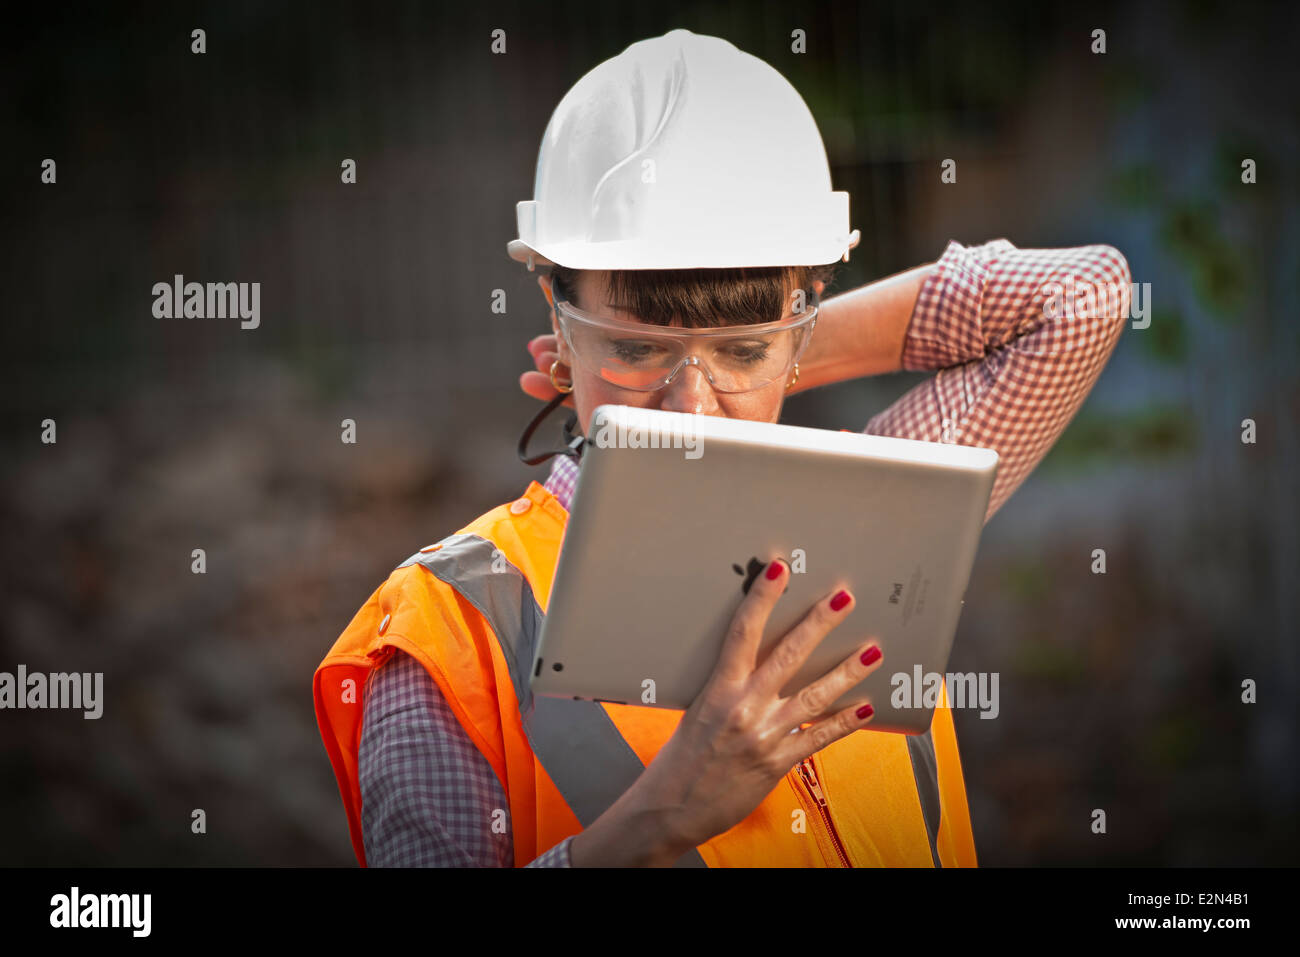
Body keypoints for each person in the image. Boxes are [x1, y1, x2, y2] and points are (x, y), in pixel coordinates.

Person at [313, 29, 1131, 867]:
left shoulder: (874, 514)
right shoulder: (449, 634)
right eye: (632, 349)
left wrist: (784, 345)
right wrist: (663, 816)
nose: (691, 411)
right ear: (556, 313)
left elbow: (1082, 299)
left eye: (742, 352)